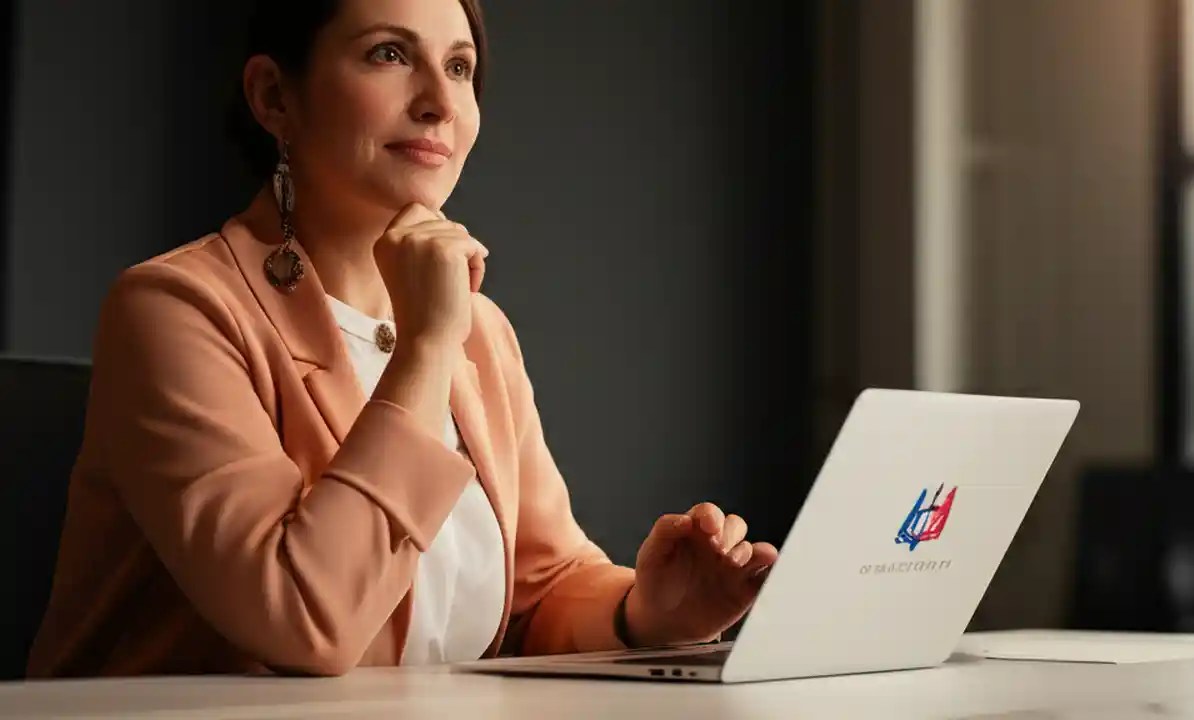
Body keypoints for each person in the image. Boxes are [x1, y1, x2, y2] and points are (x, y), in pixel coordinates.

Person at [26, 0, 777, 677]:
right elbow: (301, 619)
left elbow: (540, 591)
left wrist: (646, 612)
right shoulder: (174, 309)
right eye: (389, 54)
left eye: (459, 66)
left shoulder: (479, 330)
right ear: (274, 96)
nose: (441, 103)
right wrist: (426, 344)